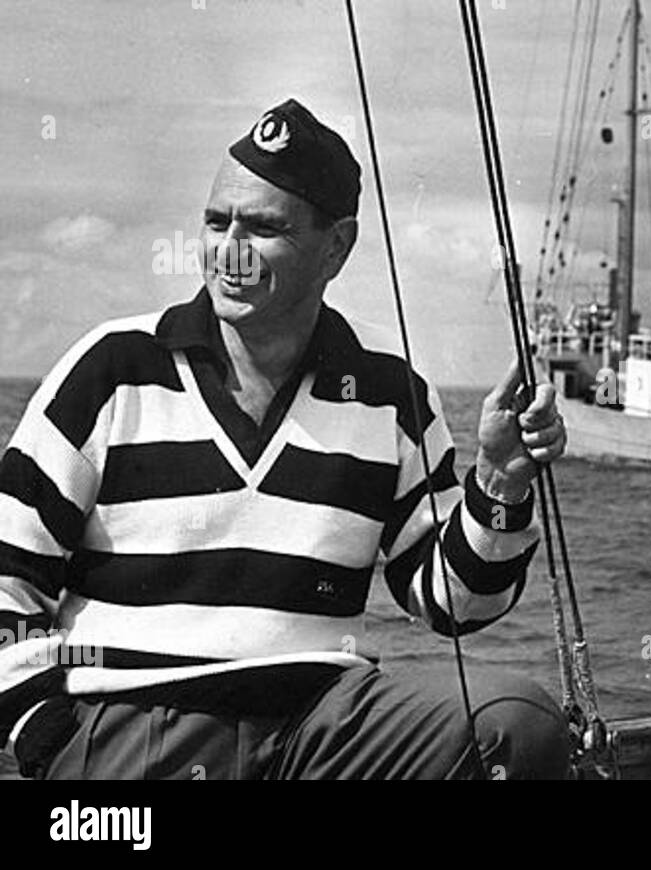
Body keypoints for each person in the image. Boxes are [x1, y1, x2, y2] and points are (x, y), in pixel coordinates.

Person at [0, 99, 570, 779]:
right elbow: (9, 574)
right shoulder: (112, 370)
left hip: (319, 719)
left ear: (337, 245)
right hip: (134, 724)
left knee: (519, 727)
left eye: (263, 227)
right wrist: (41, 734)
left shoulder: (389, 393)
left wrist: (500, 484)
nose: (229, 250)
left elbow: (451, 603)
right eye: (217, 222)